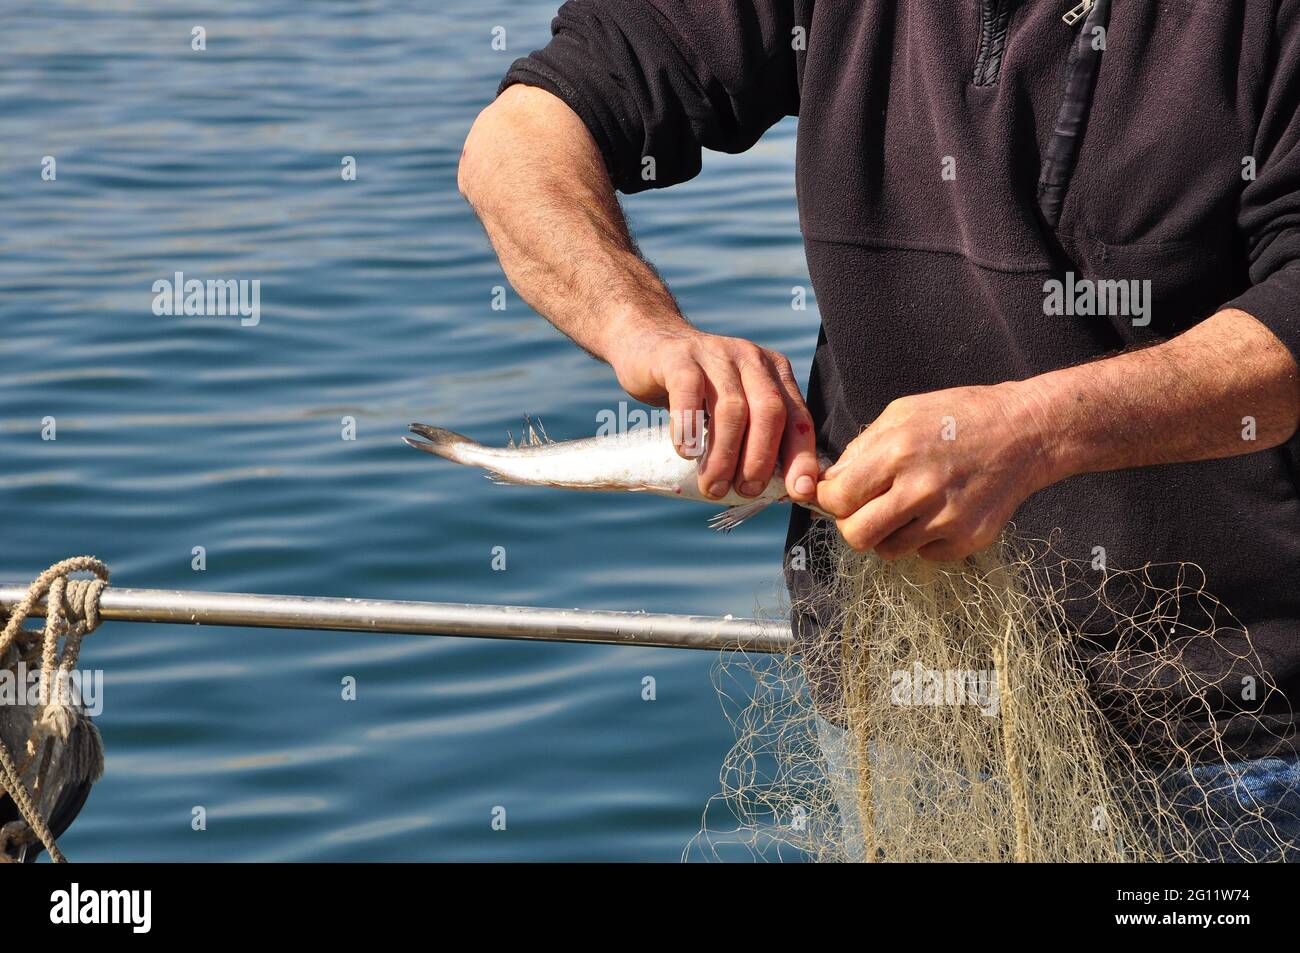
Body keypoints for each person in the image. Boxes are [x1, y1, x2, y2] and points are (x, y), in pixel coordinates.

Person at [459, 0, 1300, 857]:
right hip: (892, 711)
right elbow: (518, 138)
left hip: (1229, 749)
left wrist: (1036, 431)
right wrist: (643, 328)